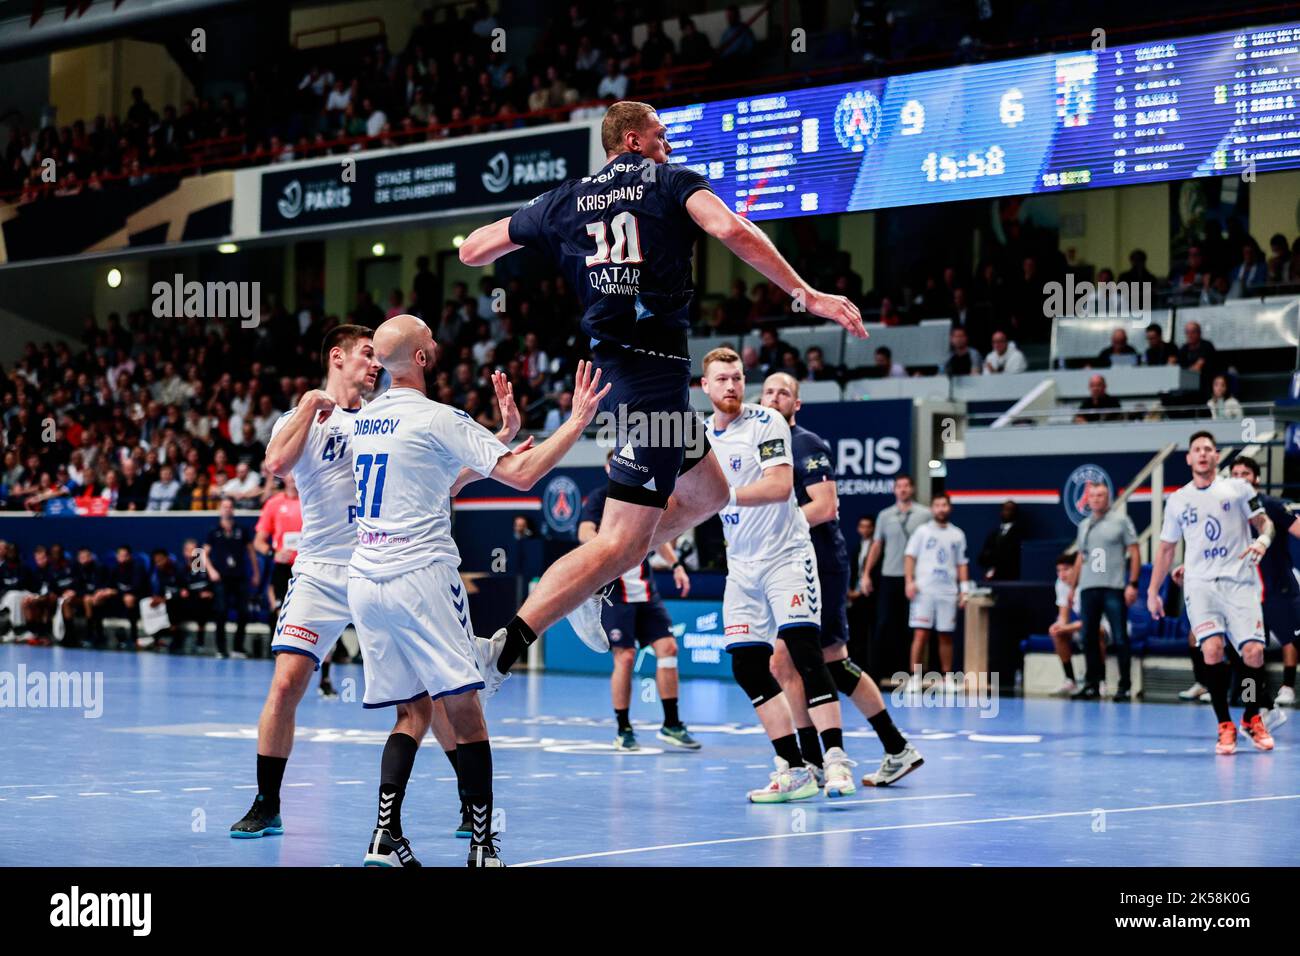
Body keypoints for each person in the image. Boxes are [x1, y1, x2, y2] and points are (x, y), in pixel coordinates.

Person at [458, 100, 864, 686]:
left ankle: (593, 584)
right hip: (646, 384)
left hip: (644, 382)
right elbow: (728, 228)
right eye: (659, 135)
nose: (667, 144)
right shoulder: (669, 182)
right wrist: (808, 294)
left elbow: (472, 250)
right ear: (630, 141)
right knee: (621, 543)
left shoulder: (565, 200)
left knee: (708, 494)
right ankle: (501, 649)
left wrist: (545, 230)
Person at [350, 314, 606, 868]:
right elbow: (522, 476)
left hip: (366, 580)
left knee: (411, 713)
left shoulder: (366, 421)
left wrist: (499, 438)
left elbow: (436, 476)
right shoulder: (439, 416)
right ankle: (484, 848)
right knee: (466, 711)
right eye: (430, 338)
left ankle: (383, 837)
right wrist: (577, 422)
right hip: (419, 576)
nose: (439, 343)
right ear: (420, 357)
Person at [701, 350, 858, 801]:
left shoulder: (766, 421)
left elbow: (779, 487)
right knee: (748, 665)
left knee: (808, 653)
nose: (731, 386)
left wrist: (720, 499)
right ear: (705, 388)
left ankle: (835, 761)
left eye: (737, 378)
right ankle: (794, 768)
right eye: (721, 380)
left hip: (786, 555)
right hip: (742, 565)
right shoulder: (700, 438)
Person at [761, 373, 923, 786]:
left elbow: (825, 506)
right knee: (831, 663)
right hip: (786, 564)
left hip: (820, 564)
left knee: (787, 661)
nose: (774, 397)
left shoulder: (806, 444)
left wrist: (773, 524)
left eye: (784, 392)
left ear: (796, 405)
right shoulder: (763, 447)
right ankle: (896, 747)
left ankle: (814, 760)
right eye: (768, 391)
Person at [1148, 431, 1275, 754]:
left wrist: (1262, 541)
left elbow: (1265, 524)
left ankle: (1250, 715)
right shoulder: (1178, 500)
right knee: (1213, 650)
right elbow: (1165, 550)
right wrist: (1153, 590)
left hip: (1240, 582)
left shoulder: (1238, 488)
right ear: (1189, 459)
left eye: (1208, 449)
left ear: (1217, 457)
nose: (1203, 454)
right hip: (1201, 585)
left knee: (1253, 654)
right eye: (1196, 450)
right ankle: (1224, 724)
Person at [578, 453, 699, 752]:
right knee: (626, 656)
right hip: (615, 591)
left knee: (668, 648)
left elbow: (659, 537)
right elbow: (584, 532)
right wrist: (603, 546)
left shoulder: (646, 494)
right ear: (609, 468)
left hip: (645, 589)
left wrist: (676, 566)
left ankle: (671, 724)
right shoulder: (599, 498)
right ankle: (624, 729)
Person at [1225, 457, 1300, 715]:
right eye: (1235, 473)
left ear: (1255, 478)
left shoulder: (1270, 506)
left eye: (1245, 473)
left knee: (1290, 637)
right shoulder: (1228, 510)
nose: (1239, 478)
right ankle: (1253, 701)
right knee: (1251, 646)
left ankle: (1288, 688)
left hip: (1277, 586)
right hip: (1245, 590)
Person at [1067, 483, 1139, 701]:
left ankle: (1124, 685)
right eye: (1093, 496)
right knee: (1088, 636)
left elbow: (1134, 552)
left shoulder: (1120, 521)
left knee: (1119, 637)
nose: (1097, 499)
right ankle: (1092, 683)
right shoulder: (1085, 525)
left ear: (1108, 498)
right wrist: (1072, 586)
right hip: (1089, 587)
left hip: (1113, 587)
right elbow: (1082, 556)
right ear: (1087, 500)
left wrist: (1133, 583)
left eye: (1101, 495)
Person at [860, 476, 930, 684]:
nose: (903, 490)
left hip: (916, 579)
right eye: (899, 486)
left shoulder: (924, 515)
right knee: (883, 624)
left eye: (906, 486)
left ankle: (911, 674)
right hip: (890, 576)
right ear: (894, 490)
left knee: (912, 627)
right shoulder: (884, 516)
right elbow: (876, 545)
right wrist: (865, 574)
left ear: (912, 489)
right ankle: (877, 674)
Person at [902, 493, 969, 689]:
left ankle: (947, 677)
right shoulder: (922, 532)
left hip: (947, 591)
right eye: (937, 505)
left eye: (944, 505)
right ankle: (914, 677)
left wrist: (964, 590)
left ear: (949, 508)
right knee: (921, 634)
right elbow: (909, 556)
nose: (941, 509)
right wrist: (909, 582)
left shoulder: (958, 534)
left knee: (945, 635)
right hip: (924, 591)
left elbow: (962, 563)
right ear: (932, 509)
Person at [204, 497, 259, 659]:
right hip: (221, 578)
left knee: (243, 612)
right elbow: (202, 554)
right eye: (224, 507)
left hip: (239, 577)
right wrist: (211, 571)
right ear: (220, 510)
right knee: (221, 612)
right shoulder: (213, 532)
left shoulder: (242, 530)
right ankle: (221, 649)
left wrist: (255, 573)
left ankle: (238, 648)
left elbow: (251, 553)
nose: (227, 509)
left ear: (233, 510)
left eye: (230, 507)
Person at [87, 545, 149, 650]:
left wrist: (115, 591)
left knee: (129, 598)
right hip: (119, 597)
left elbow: (136, 588)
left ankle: (133, 637)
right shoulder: (115, 568)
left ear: (130, 556)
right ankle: (98, 635)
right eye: (120, 556)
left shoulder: (137, 568)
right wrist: (102, 592)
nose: (122, 558)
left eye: (125, 556)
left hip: (137, 597)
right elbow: (110, 585)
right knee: (98, 599)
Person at [977, 500, 1022, 581]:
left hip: (1011, 577)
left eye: (1009, 510)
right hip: (993, 577)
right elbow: (983, 556)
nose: (1006, 512)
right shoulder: (994, 533)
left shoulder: (1020, 532)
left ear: (1015, 512)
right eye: (1004, 509)